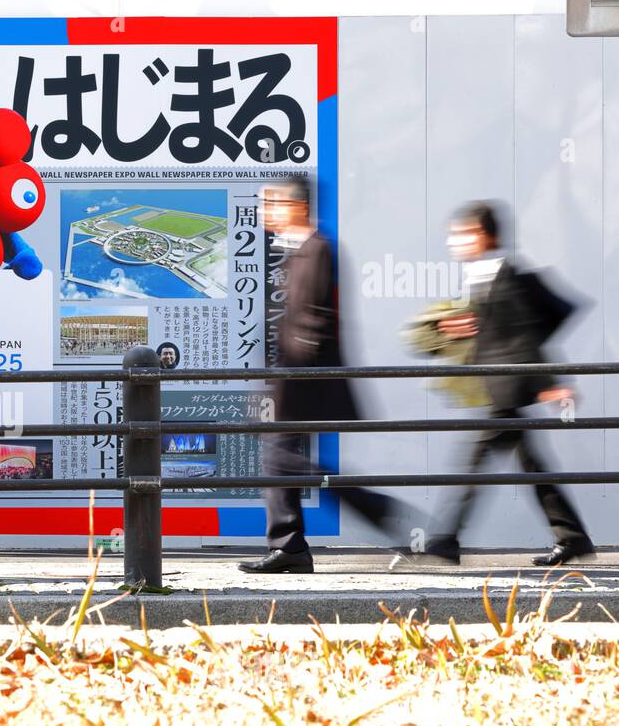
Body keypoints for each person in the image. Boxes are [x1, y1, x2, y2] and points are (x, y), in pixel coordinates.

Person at [239, 175, 412, 575]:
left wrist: (287, 375)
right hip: (295, 376)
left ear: (297, 206)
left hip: (303, 379)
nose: (266, 212)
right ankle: (291, 545)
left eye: (273, 204)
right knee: (277, 457)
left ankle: (315, 532)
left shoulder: (317, 249)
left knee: (278, 457)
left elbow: (313, 321)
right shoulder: (299, 249)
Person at [423, 201, 592, 567]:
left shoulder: (504, 275)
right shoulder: (484, 274)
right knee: (531, 466)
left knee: (475, 465)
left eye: (462, 234)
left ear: (484, 236)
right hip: (502, 387)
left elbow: (522, 337)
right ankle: (571, 537)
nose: (455, 242)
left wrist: (548, 384)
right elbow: (510, 330)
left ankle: (445, 540)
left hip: (507, 388)